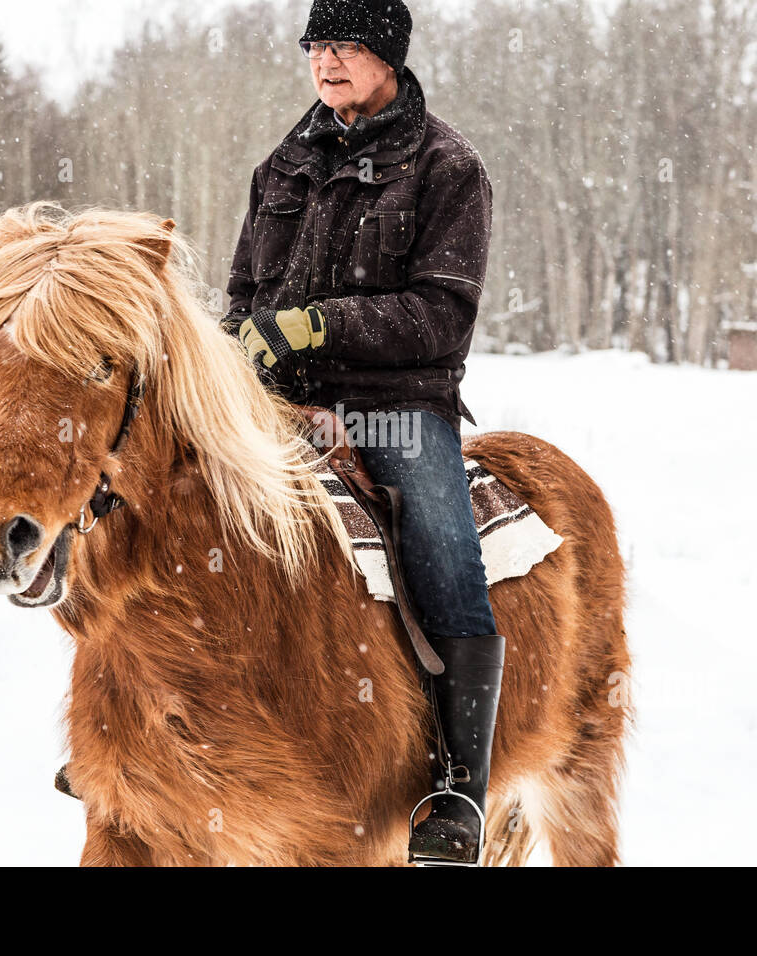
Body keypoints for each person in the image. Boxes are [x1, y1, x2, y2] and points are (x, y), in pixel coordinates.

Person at [222, 0, 502, 865]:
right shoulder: (283, 165)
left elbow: (441, 316)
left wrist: (316, 327)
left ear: (387, 56)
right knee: (163, 495)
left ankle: (458, 788)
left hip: (396, 406)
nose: (326, 61)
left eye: (344, 45)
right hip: (274, 404)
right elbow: (239, 296)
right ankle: (148, 729)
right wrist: (240, 352)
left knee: (442, 538)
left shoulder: (448, 167)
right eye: (316, 45)